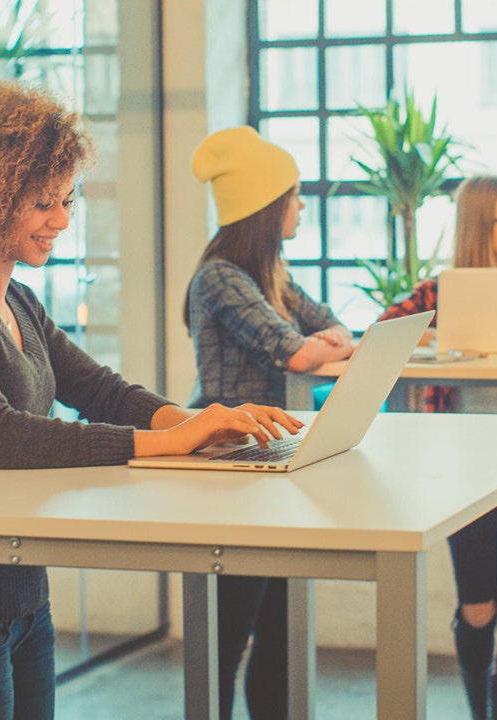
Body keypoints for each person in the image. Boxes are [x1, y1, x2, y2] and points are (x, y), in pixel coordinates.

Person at [0, 82, 302, 720]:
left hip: (22, 599)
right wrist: (168, 441)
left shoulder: (21, 301)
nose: (61, 219)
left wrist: (202, 422)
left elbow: (101, 390)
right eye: (42, 203)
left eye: (67, 198)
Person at [379, 174, 497, 720]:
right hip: (464, 476)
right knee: (478, 607)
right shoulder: (439, 293)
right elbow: (383, 330)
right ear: (478, 225)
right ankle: (481, 713)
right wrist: (445, 332)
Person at [185, 125, 356, 719]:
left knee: (280, 633)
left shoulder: (270, 277)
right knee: (229, 635)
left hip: (272, 463)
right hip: (230, 472)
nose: (302, 205)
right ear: (264, 206)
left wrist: (326, 340)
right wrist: (323, 343)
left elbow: (333, 327)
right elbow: (300, 352)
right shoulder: (220, 279)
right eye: (294, 195)